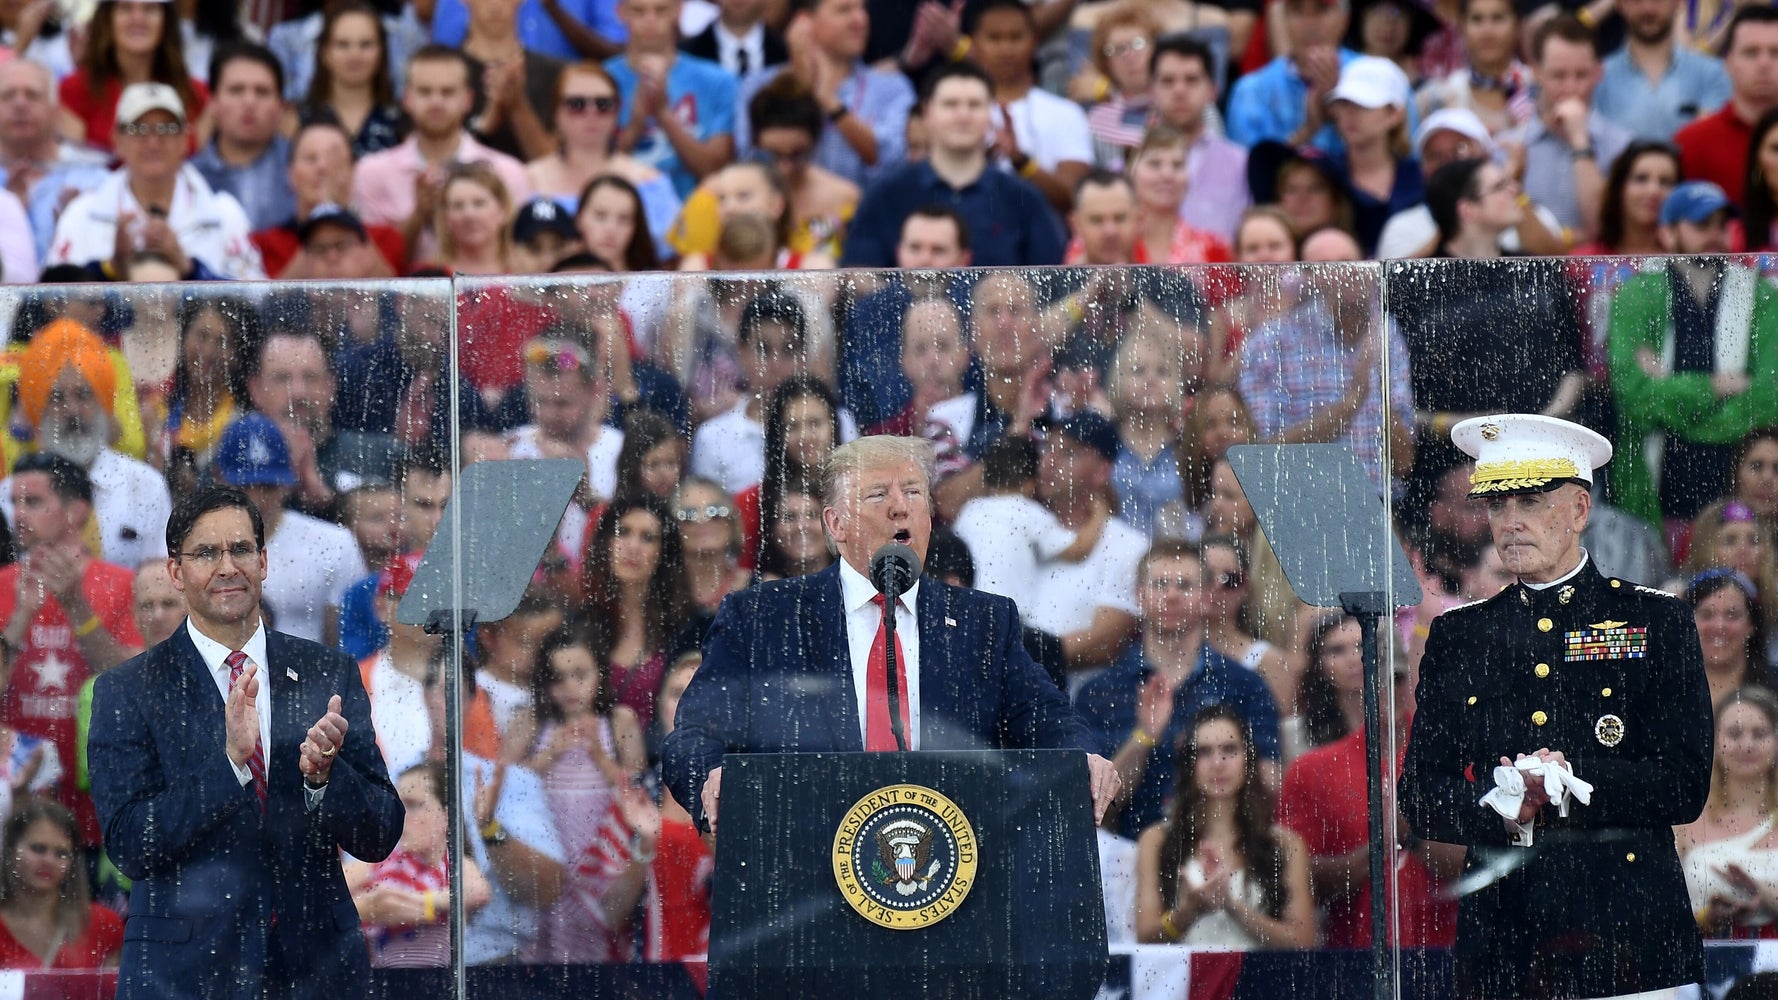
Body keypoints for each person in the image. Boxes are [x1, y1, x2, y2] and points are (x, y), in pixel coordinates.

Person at [662, 436, 1121, 836]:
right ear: (836, 526)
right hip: (806, 880)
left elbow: (1047, 719)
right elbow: (694, 735)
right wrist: (712, 775)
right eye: (877, 493)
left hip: (955, 873)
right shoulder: (763, 618)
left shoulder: (984, 623)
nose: (900, 505)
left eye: (915, 492)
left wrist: (1085, 759)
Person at [1400, 413, 1713, 999]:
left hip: (1630, 933)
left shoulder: (1657, 621)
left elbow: (1685, 785)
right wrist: (1505, 799)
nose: (1511, 522)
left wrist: (1574, 781)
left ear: (1578, 510)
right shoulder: (1461, 636)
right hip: (1508, 939)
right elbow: (1420, 792)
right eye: (1497, 504)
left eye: (1531, 500)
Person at [88, 484, 402, 996]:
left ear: (263, 560)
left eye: (239, 550)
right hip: (185, 977)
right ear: (175, 572)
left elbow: (380, 834)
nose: (226, 566)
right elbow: (130, 845)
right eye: (206, 553)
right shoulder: (128, 690)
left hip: (317, 972)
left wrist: (326, 778)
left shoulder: (328, 674)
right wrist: (231, 765)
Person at [1077, 539, 1282, 840]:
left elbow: (1270, 791)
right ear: (1139, 595)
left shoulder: (1245, 685)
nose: (1171, 595)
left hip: (1224, 850)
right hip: (1124, 856)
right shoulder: (1099, 693)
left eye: (1184, 585)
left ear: (1207, 596)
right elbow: (1094, 807)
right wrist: (1144, 736)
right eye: (1160, 584)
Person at [1606, 181, 1778, 531]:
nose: (1714, 234)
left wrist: (1673, 402)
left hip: (1737, 491)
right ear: (1668, 233)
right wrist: (1717, 387)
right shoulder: (1636, 295)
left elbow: (1768, 398)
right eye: (1701, 225)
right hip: (1657, 488)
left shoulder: (1761, 293)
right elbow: (1633, 396)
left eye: (1721, 224)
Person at [0, 453, 143, 855]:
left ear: (76, 511)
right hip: (16, 801)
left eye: (33, 502)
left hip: (97, 797)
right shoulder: (2, 585)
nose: (19, 514)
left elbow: (132, 682)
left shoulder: (121, 585)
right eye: (14, 503)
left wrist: (78, 607)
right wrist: (21, 616)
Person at [505, 627, 646, 962]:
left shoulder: (618, 721)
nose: (570, 687)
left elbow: (639, 790)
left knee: (599, 950)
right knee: (543, 949)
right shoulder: (531, 721)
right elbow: (503, 788)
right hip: (547, 856)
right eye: (558, 678)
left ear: (600, 673)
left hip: (601, 856)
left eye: (579, 675)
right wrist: (545, 758)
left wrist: (601, 758)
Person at [839, 61, 1064, 269]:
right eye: (950, 104)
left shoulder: (1024, 199)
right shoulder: (885, 195)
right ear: (927, 112)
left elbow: (1049, 287)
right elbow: (860, 281)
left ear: (990, 113)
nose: (963, 115)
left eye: (975, 105)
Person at [1131, 705, 1316, 947]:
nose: (1217, 763)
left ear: (1248, 759)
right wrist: (1188, 911)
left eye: (1229, 750)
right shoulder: (1156, 840)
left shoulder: (1285, 844)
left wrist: (1232, 906)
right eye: (1204, 752)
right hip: (1185, 982)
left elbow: (1303, 941)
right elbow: (1145, 937)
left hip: (1260, 980)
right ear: (1189, 764)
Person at [0, 319, 171, 572]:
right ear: (39, 408)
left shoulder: (145, 485)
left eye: (84, 394)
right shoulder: (10, 494)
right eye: (57, 397)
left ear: (103, 402)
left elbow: (161, 582)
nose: (72, 411)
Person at [48, 83, 264, 281]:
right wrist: (112, 268)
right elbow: (51, 306)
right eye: (139, 129)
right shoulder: (81, 214)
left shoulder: (224, 213)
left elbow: (257, 304)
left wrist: (189, 269)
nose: (153, 142)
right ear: (117, 140)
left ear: (184, 140)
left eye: (166, 129)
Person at [351, 46, 532, 268]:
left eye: (447, 92)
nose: (436, 102)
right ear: (406, 99)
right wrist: (419, 216)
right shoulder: (371, 173)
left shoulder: (508, 172)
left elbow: (522, 260)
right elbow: (369, 271)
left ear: (468, 99)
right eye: (425, 92)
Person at [212, 414, 367, 647]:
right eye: (244, 486)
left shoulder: (333, 543)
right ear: (218, 477)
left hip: (309, 678)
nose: (256, 498)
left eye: (268, 486)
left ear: (289, 480)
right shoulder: (194, 545)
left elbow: (346, 647)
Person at [732, 0, 914, 190]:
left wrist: (830, 101)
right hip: (781, 213)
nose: (860, 20)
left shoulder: (892, 88)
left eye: (863, 9)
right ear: (805, 21)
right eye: (844, 10)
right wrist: (801, 86)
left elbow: (893, 164)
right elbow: (748, 159)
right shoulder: (759, 85)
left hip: (858, 214)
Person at [344, 762, 492, 968]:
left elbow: (478, 893)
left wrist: (423, 904)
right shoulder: (379, 861)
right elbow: (323, 895)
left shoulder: (454, 864)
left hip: (438, 983)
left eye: (413, 805)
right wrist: (368, 907)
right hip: (384, 982)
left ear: (446, 817)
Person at [1498, 16, 1629, 246]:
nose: (1570, 87)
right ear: (1537, 72)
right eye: (1558, 75)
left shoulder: (1622, 146)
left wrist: (1579, 140)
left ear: (1598, 73)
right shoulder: (1506, 147)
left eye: (1581, 75)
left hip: (1602, 278)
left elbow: (1605, 229)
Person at [952, 434, 1104, 615]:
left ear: (986, 478)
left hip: (966, 608)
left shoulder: (969, 511)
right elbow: (1078, 550)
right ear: (1032, 482)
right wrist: (1100, 512)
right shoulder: (1026, 512)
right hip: (1007, 614)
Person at [577, 493, 693, 728]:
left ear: (663, 553)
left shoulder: (687, 627)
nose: (632, 547)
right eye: (623, 533)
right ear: (606, 543)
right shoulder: (579, 625)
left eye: (648, 538)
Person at [605, 0, 736, 199]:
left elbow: (715, 170)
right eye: (638, 11)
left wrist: (664, 114)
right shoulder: (600, 82)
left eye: (661, 10)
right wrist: (634, 127)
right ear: (621, 13)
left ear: (679, 10)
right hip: (617, 213)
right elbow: (592, 172)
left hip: (694, 213)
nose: (650, 20)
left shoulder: (718, 81)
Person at [1677, 685, 1778, 939]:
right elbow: (1658, 905)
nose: (1747, 745)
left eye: (1760, 734)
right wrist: (1705, 919)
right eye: (1734, 734)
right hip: (1702, 965)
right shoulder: (1686, 818)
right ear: (1715, 741)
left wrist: (1766, 895)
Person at [57, 0, 207, 154]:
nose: (138, 19)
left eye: (149, 9)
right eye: (126, 9)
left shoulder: (197, 95)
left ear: (166, 20)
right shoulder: (74, 90)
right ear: (107, 19)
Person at [1149, 36, 1249, 244]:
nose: (1179, 91)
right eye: (1168, 81)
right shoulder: (1127, 167)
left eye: (1191, 80)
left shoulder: (1242, 164)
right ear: (1152, 92)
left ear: (1212, 91)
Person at [0, 799, 123, 968]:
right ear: (11, 851)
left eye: (62, 853)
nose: (49, 861)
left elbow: (111, 992)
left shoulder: (105, 925)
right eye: (38, 848)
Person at [1675, 7, 1778, 204]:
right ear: (1728, 63)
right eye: (1751, 52)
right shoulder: (1690, 145)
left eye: (1776, 53)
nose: (1764, 63)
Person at [1227, 0, 1359, 151]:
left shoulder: (1370, 76)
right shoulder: (1251, 91)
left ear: (1345, 18)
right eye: (1297, 10)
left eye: (1322, 10)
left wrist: (1337, 109)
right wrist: (1308, 130)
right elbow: (1250, 172)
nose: (1309, 23)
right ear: (1284, 20)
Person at [189, 43, 293, 233]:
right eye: (236, 90)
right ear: (212, 103)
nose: (249, 102)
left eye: (262, 92)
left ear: (280, 107)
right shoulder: (188, 178)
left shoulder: (303, 167)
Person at [1595, 0, 1729, 141]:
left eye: (1658, 1)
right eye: (1636, 1)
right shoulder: (1597, 77)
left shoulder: (1714, 75)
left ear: (1679, 3)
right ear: (1620, 5)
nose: (1647, 9)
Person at [297, 1, 404, 158]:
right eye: (343, 45)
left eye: (366, 45)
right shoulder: (297, 121)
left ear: (381, 52)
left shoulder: (402, 122)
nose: (355, 55)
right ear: (325, 53)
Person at [1414, 0, 1532, 139]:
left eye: (1498, 18)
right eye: (1477, 19)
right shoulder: (1440, 98)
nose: (1487, 31)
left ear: (1518, 26)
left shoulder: (1538, 87)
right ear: (1462, 27)